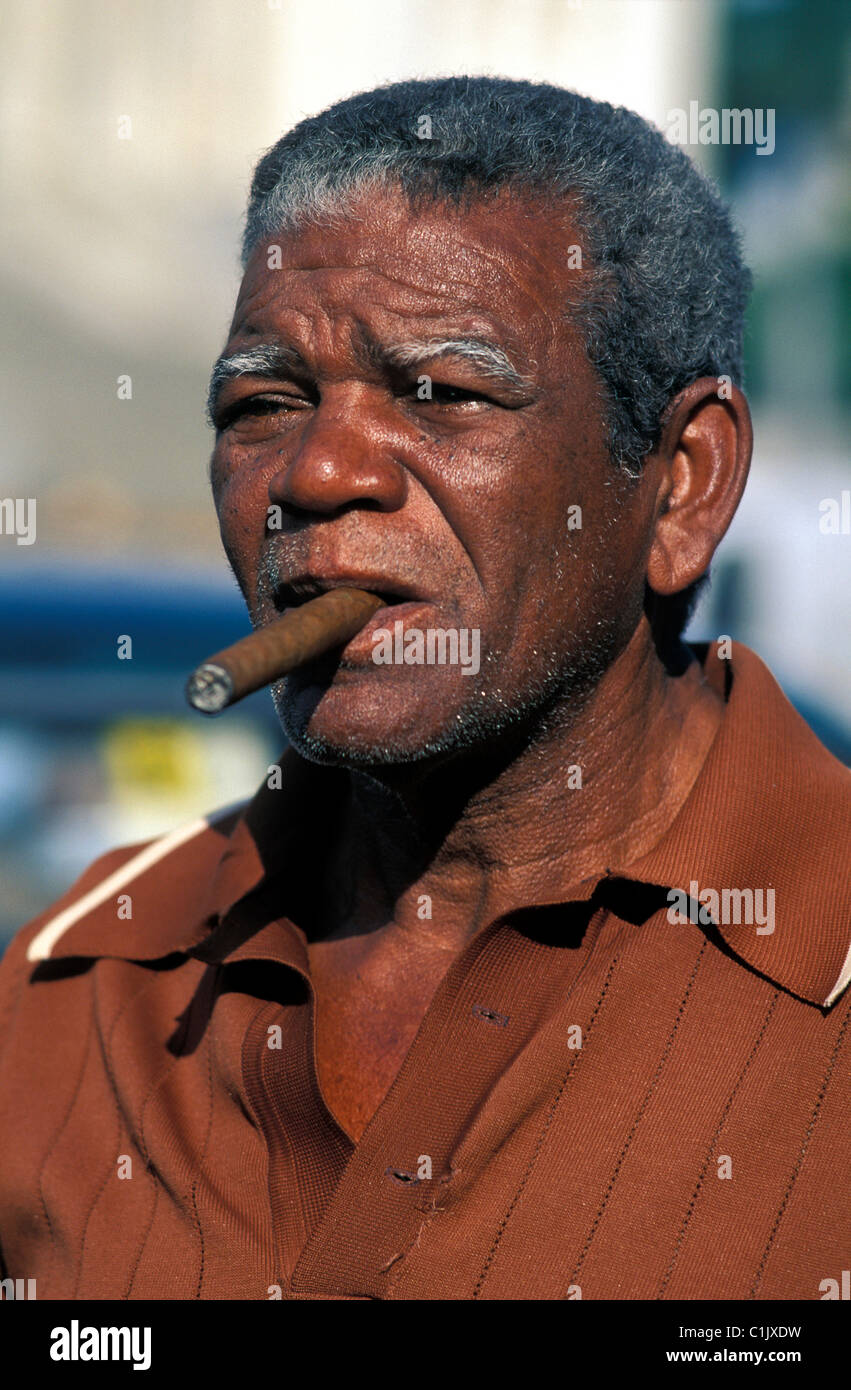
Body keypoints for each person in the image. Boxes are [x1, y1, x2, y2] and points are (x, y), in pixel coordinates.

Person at [0, 77, 848, 1301]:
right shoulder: (84, 986)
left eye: (442, 393)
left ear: (680, 488)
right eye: (262, 403)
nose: (320, 469)